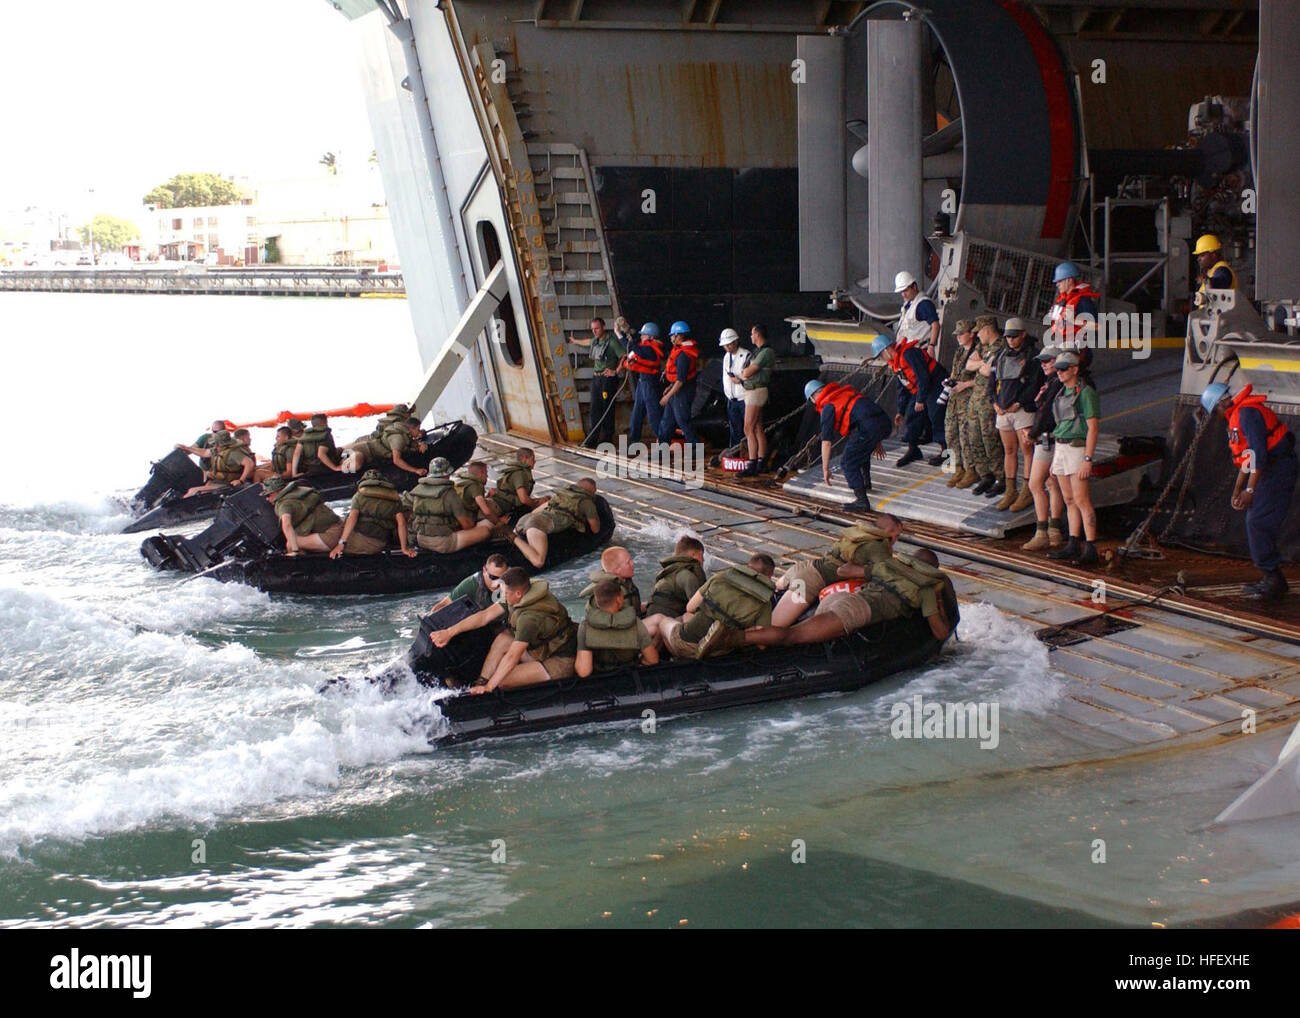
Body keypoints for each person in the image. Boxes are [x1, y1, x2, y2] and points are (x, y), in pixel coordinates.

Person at [1201, 382, 1297, 601]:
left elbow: (1258, 455)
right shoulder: (1238, 416)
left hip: (1278, 469)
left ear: (1220, 404)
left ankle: (1274, 579)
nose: (1216, 416)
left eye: (1214, 411)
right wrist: (1237, 490)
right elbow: (1248, 458)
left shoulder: (1247, 414)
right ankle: (1271, 576)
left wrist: (1250, 490)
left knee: (1257, 521)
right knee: (1256, 521)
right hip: (1269, 469)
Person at [745, 549, 954, 647]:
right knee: (793, 635)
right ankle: (743, 640)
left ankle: (747, 635)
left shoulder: (888, 567)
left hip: (840, 597)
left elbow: (845, 570)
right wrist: (938, 600)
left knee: (804, 636)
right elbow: (941, 632)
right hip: (855, 609)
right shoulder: (926, 589)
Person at [450, 568, 577, 692]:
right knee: (503, 638)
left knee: (502, 681)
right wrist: (450, 632)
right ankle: (481, 683)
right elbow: (485, 616)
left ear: (518, 594)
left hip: (559, 661)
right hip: (542, 651)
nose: (502, 595)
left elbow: (512, 656)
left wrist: (490, 687)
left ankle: (487, 688)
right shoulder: (518, 593)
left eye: (505, 593)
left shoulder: (529, 618)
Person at [770, 514, 902, 627]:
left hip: (806, 568)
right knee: (774, 629)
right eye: (896, 535)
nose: (896, 539)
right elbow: (884, 572)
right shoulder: (878, 546)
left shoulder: (861, 534)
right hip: (809, 581)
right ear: (888, 531)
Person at [660, 553, 776, 660]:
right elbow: (761, 642)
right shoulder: (764, 601)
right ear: (770, 577)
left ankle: (671, 660)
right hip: (721, 651)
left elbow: (690, 607)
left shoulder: (721, 577)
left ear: (747, 567)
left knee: (663, 622)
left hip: (687, 642)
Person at [1045, 353, 1101, 566]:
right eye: (1058, 369)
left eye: (1064, 368)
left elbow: (1093, 427)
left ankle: (1091, 546)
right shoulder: (1061, 392)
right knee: (1069, 499)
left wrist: (1088, 458)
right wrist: (1055, 458)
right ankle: (1073, 542)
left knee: (1081, 499)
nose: (1059, 372)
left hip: (1076, 448)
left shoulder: (1085, 393)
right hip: (1061, 446)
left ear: (1075, 369)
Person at [806, 378, 891, 512]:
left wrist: (825, 468)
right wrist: (876, 440)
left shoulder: (827, 407)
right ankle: (866, 483)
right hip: (884, 423)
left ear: (813, 398)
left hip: (868, 429)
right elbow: (867, 412)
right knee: (860, 450)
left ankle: (861, 501)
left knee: (848, 462)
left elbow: (826, 441)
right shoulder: (843, 394)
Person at [871, 326, 948, 469]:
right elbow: (903, 386)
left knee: (936, 414)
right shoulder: (896, 363)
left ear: (887, 350)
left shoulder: (909, 354)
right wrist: (901, 410)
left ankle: (946, 450)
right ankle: (913, 449)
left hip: (936, 383)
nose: (882, 359)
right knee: (912, 415)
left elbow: (923, 376)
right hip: (921, 387)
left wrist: (920, 399)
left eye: (881, 355)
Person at [990, 317, 1043, 512]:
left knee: (1027, 450)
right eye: (1008, 337)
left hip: (1022, 410)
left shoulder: (1033, 356)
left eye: (1014, 336)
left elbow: (1035, 384)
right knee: (1009, 450)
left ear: (1023, 335)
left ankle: (1027, 491)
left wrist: (1019, 403)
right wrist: (994, 402)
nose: (1011, 340)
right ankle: (1010, 490)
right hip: (1003, 408)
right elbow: (992, 381)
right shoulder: (1001, 355)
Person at [1020, 346, 1068, 552]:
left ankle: (1042, 532)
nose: (1044, 364)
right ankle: (1054, 530)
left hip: (1048, 438)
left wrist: (1032, 434)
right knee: (1052, 483)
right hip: (1055, 438)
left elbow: (1046, 413)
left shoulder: (1055, 384)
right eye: (1042, 361)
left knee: (1035, 483)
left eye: (1048, 360)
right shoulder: (1055, 383)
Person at [402, 456, 494, 553]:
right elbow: (466, 525)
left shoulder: (418, 490)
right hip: (443, 543)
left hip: (421, 539)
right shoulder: (449, 493)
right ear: (447, 474)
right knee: (485, 531)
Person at [575, 579, 659, 678]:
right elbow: (652, 660)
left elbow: (584, 671)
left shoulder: (585, 627)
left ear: (597, 602)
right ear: (619, 599)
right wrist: (640, 661)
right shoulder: (635, 623)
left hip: (601, 678)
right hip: (630, 674)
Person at [512, 477, 601, 569]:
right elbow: (595, 529)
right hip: (537, 523)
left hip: (525, 519)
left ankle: (512, 536)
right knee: (539, 561)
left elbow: (536, 511)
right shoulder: (587, 503)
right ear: (591, 491)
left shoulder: (561, 494)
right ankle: (513, 537)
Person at [964, 316, 1008, 497]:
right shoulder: (982, 347)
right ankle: (986, 475)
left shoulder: (1002, 346)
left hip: (989, 401)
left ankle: (1001, 478)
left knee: (991, 440)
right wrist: (982, 363)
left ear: (988, 329)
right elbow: (969, 365)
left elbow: (990, 371)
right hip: (976, 400)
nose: (977, 335)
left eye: (979, 331)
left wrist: (981, 365)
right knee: (975, 438)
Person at [329, 468, 417, 558]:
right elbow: (402, 523)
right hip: (379, 542)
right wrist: (404, 548)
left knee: (329, 541)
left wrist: (341, 543)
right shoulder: (394, 498)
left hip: (361, 539)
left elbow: (352, 518)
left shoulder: (359, 495)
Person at [569, 316, 626, 447]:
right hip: (596, 378)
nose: (594, 331)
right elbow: (587, 341)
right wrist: (575, 341)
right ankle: (592, 440)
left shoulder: (612, 341)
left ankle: (607, 439)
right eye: (593, 329)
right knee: (595, 409)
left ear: (603, 327)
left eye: (597, 328)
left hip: (608, 379)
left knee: (607, 409)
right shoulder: (596, 340)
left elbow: (624, 355)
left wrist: (616, 371)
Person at [642, 535, 707, 645]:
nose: (703, 560)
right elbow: (698, 609)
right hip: (665, 627)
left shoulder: (669, 572)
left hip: (651, 621)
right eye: (702, 556)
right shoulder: (688, 576)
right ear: (694, 555)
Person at [944, 320, 983, 489]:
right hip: (955, 398)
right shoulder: (959, 351)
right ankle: (957, 467)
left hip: (968, 398)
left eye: (961, 334)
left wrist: (965, 385)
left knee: (965, 436)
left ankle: (971, 470)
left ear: (971, 334)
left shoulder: (979, 351)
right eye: (957, 334)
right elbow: (955, 371)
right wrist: (950, 381)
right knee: (950, 433)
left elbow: (983, 378)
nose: (958, 337)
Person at [262, 476, 343, 555]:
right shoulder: (302, 490)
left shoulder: (284, 505)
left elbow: (287, 525)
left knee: (290, 544)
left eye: (268, 495)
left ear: (276, 492)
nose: (267, 499)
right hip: (341, 526)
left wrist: (295, 550)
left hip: (330, 537)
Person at [1045, 262, 1100, 372]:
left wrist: (1073, 320)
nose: (1057, 284)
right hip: (1062, 349)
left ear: (1069, 280)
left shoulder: (1083, 301)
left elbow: (1097, 326)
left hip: (1076, 352)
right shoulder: (1063, 300)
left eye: (1060, 281)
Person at [736, 324, 775, 475]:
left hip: (756, 391)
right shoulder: (758, 352)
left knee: (748, 428)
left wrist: (745, 374)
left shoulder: (765, 352)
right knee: (757, 427)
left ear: (758, 335)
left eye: (752, 333)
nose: (751, 336)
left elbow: (747, 372)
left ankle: (751, 464)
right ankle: (761, 462)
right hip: (753, 391)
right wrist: (745, 373)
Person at [657, 321, 701, 446]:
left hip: (683, 392)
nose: (671, 338)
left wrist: (667, 396)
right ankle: (662, 449)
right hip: (676, 390)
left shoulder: (683, 356)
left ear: (679, 336)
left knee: (683, 421)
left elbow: (681, 381)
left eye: (673, 335)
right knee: (667, 422)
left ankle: (696, 448)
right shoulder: (680, 351)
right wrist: (670, 387)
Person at [342, 416, 428, 477]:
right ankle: (339, 467)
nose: (419, 432)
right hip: (365, 451)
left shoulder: (401, 429)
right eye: (418, 429)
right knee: (356, 465)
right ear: (411, 429)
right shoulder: (398, 438)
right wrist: (416, 470)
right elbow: (397, 460)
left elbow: (410, 442)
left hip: (368, 445)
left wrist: (420, 444)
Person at [625, 322, 666, 444]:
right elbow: (635, 348)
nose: (641, 337)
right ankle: (633, 442)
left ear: (651, 337)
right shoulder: (645, 348)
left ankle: (663, 442)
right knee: (637, 414)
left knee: (654, 415)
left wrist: (620, 336)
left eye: (644, 335)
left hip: (649, 383)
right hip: (642, 382)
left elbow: (636, 349)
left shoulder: (651, 350)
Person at [429, 553, 510, 614]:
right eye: (493, 577)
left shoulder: (511, 583)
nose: (498, 582)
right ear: (484, 571)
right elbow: (443, 604)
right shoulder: (472, 584)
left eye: (503, 578)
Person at [184, 429, 255, 496]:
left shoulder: (233, 453)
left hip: (228, 484)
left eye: (216, 444)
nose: (215, 446)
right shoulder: (219, 450)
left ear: (220, 444)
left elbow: (249, 463)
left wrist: (240, 480)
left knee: (193, 491)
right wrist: (186, 448)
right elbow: (204, 452)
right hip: (218, 481)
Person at [580, 545, 642, 615]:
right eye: (628, 562)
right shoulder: (608, 591)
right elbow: (614, 620)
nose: (632, 563)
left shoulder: (624, 581)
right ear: (617, 570)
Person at [893, 269, 942, 358]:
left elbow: (935, 325)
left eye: (906, 290)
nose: (903, 294)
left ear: (914, 287)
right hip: (908, 352)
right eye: (901, 292)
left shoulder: (924, 304)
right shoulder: (909, 305)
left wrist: (931, 346)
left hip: (919, 351)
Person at [488, 448, 548, 518]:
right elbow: (523, 499)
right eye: (532, 459)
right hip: (499, 507)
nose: (534, 462)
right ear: (525, 458)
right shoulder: (520, 474)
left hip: (499, 504)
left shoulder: (516, 471)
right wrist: (536, 506)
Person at [719, 328, 750, 453]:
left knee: (748, 429)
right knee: (734, 429)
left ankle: (750, 453)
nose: (727, 347)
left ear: (736, 342)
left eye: (729, 344)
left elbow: (751, 377)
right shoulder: (726, 357)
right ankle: (735, 453)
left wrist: (740, 381)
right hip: (731, 399)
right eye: (725, 345)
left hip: (744, 398)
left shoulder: (746, 355)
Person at [1193, 234, 1238, 304]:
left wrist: (1209, 281)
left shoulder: (1222, 269)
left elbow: (1222, 281)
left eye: (1202, 255)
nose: (1199, 259)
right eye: (1198, 256)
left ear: (1213, 255)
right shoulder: (1211, 271)